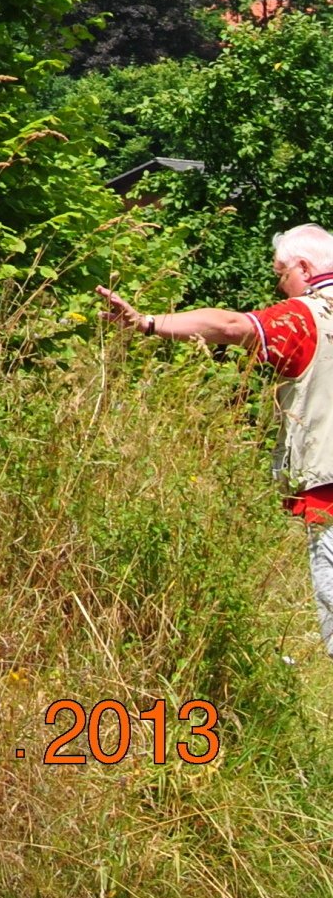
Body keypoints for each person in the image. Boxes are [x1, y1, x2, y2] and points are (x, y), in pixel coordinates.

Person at [99, 224, 333, 653]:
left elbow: (228, 325)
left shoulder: (305, 317)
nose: (281, 287)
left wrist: (147, 322)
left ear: (302, 267)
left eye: (280, 274)